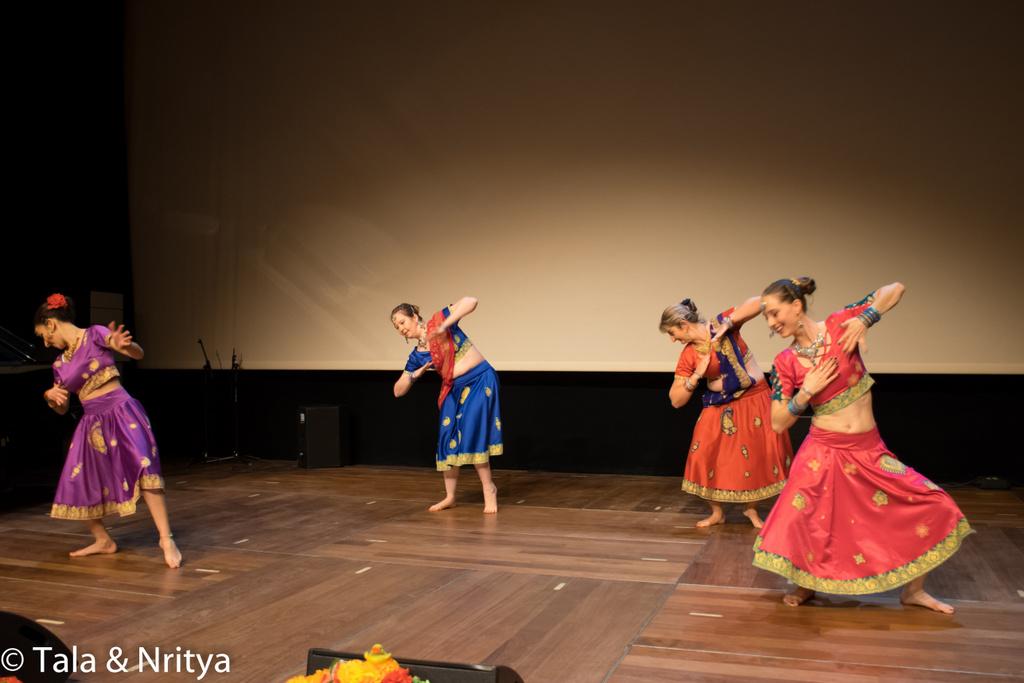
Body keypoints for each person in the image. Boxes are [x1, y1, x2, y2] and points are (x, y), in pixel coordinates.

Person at [753, 277, 971, 613]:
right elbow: (778, 422)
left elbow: (895, 289)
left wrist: (866, 318)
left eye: (774, 312)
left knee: (934, 504)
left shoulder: (840, 325)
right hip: (823, 453)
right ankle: (805, 585)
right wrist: (806, 391)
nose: (770, 322)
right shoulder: (786, 361)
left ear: (796, 306)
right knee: (812, 523)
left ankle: (913, 592)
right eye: (766, 317)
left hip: (868, 451)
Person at [35, 293, 181, 568]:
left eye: (44, 335)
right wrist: (50, 396)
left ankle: (166, 538)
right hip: (91, 423)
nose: (45, 342)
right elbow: (62, 409)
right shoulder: (59, 365)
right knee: (79, 479)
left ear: (51, 324)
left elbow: (136, 353)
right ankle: (103, 540)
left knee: (144, 468)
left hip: (121, 412)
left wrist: (127, 346)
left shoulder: (95, 334)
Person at [660, 297, 792, 527]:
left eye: (672, 333)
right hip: (720, 404)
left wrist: (730, 322)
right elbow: (676, 400)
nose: (673, 339)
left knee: (757, 456)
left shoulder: (721, 326)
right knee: (704, 453)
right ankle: (717, 513)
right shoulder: (689, 354)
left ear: (683, 324)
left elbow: (760, 301)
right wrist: (696, 375)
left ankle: (751, 510)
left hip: (754, 399)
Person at [391, 296, 501, 513]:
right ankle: (450, 496)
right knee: (447, 436)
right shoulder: (417, 356)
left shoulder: (438, 322)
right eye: (397, 327)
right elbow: (398, 391)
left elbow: (471, 301)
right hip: (454, 389)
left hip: (480, 380)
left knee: (472, 432)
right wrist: (414, 376)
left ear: (414, 317)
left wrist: (444, 325)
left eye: (402, 322)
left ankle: (489, 489)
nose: (401, 329)